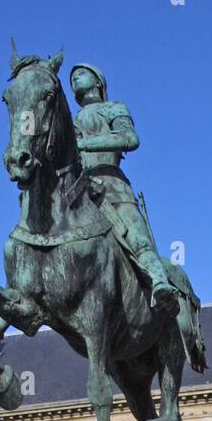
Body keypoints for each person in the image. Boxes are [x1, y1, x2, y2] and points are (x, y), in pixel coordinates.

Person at [70, 63, 178, 314]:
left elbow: (130, 139)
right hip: (79, 193)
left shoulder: (114, 108)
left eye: (81, 74)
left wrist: (84, 144)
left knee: (138, 237)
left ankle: (159, 281)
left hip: (112, 187)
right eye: (73, 77)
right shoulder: (69, 120)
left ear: (98, 81)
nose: (75, 78)